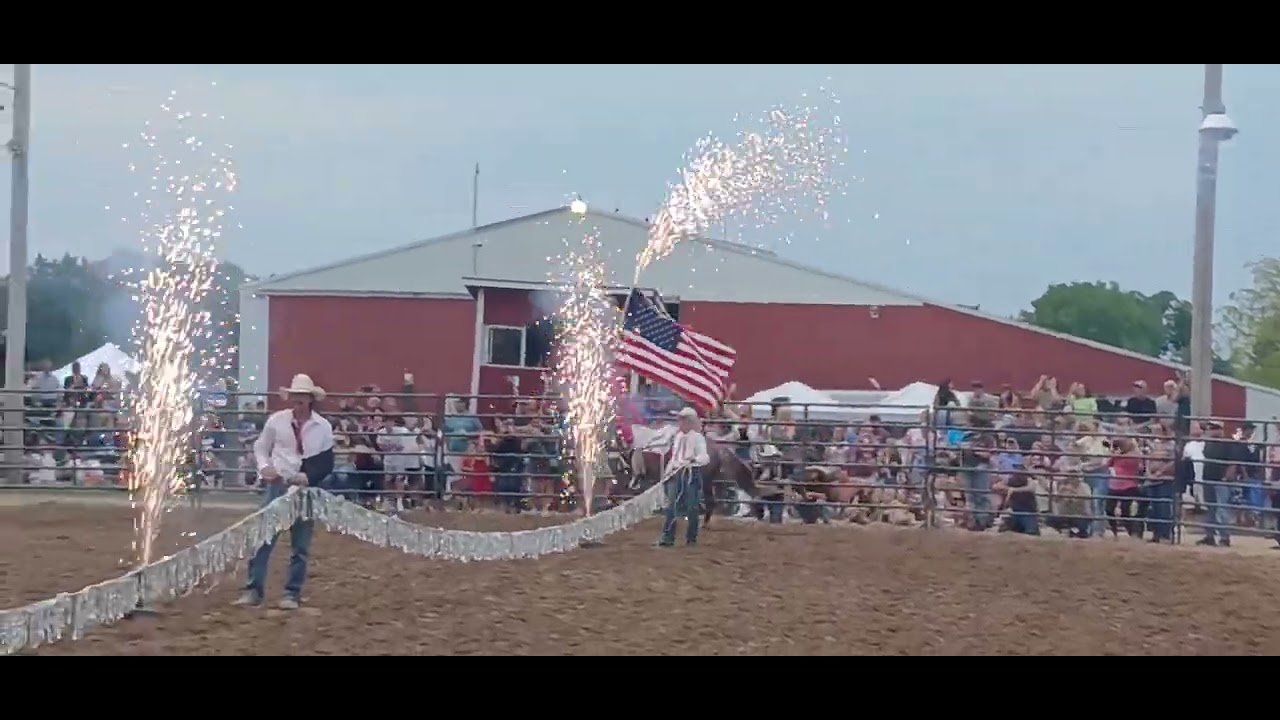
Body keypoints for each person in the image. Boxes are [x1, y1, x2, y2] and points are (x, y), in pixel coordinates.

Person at [233, 373, 335, 610]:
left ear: (310, 399)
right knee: (263, 539)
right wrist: (265, 467)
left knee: (300, 545)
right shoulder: (277, 420)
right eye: (295, 395)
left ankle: (291, 593)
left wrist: (308, 476)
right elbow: (261, 447)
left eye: (302, 396)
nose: (297, 399)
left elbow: (326, 462)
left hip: (304, 490)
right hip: (277, 484)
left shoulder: (323, 427)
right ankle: (253, 589)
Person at [659, 407, 710, 547]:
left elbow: (704, 457)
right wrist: (667, 473)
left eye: (682, 420)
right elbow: (675, 457)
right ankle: (667, 537)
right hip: (676, 473)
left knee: (691, 507)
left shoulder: (698, 438)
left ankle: (691, 538)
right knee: (671, 506)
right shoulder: (678, 437)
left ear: (689, 422)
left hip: (690, 474)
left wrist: (694, 460)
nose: (679, 423)